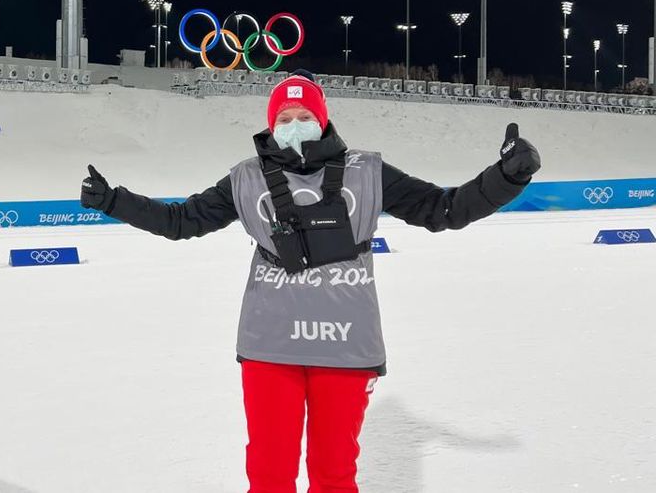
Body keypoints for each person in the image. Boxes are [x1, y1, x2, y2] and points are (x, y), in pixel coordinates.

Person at [79, 70, 541, 493]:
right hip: (269, 349)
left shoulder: (368, 171)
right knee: (268, 474)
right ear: (271, 122)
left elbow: (445, 209)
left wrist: (505, 177)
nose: (295, 123)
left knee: (334, 474)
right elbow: (181, 221)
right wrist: (114, 201)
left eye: (305, 115)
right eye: (285, 116)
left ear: (322, 121)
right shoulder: (246, 178)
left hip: (344, 348)